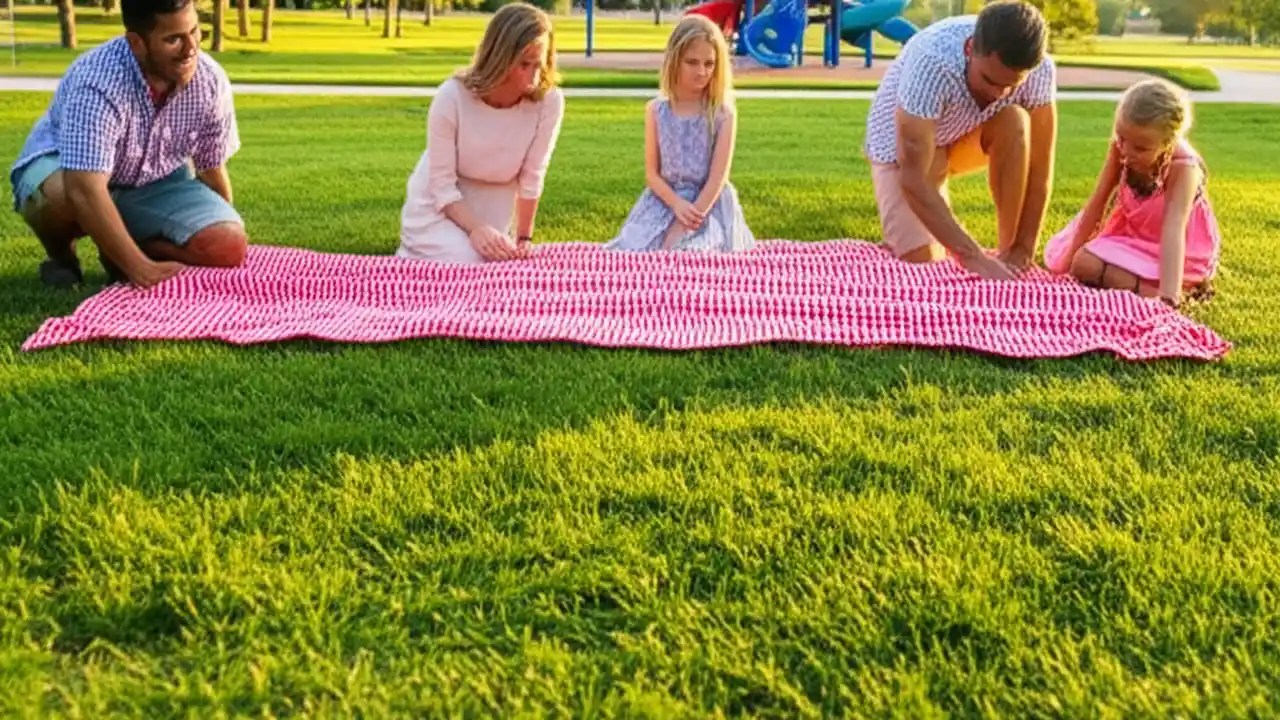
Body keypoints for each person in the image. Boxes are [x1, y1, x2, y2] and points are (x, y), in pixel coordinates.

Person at [8, 0, 247, 290]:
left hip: (155, 179)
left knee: (228, 243)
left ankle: (117, 253)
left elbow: (212, 168)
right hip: (68, 170)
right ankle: (62, 259)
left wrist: (222, 228)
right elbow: (85, 188)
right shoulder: (97, 83)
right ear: (137, 43)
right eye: (174, 39)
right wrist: (140, 269)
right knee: (63, 194)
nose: (191, 49)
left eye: (195, 32)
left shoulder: (210, 81)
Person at [863, 0, 1057, 280]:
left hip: (963, 132)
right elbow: (913, 179)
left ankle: (1008, 249)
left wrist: (1023, 250)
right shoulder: (932, 61)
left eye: (1010, 86)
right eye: (989, 79)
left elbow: (1039, 170)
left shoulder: (1040, 70)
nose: (998, 94)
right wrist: (973, 257)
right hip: (899, 152)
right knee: (922, 266)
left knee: (1014, 119)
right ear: (969, 48)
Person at [397, 2, 565, 265]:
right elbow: (441, 186)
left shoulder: (549, 103)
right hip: (439, 211)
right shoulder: (452, 96)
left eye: (539, 65)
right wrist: (476, 229)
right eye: (524, 64)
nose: (533, 78)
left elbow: (533, 175)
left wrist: (523, 239)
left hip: (493, 215)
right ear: (500, 58)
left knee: (500, 264)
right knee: (469, 262)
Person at [1044, 79, 1221, 310]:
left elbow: (1174, 228)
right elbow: (1098, 201)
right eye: (1121, 138)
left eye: (1140, 148)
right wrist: (1067, 262)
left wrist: (1168, 297)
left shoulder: (1183, 167)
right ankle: (1139, 287)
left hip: (1174, 251)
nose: (1126, 152)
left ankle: (1172, 292)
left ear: (1167, 143)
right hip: (1130, 237)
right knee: (1082, 264)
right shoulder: (1121, 148)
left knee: (1101, 271)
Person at [605, 15, 754, 253]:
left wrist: (688, 221)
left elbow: (717, 179)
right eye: (692, 62)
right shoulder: (656, 111)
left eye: (709, 64)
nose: (702, 72)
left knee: (694, 252)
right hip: (665, 201)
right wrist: (676, 205)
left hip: (707, 205)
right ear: (675, 61)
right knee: (632, 251)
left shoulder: (722, 114)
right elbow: (652, 175)